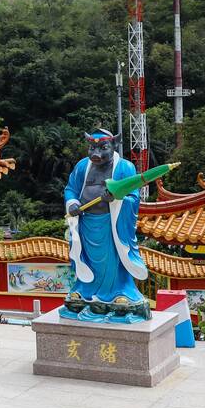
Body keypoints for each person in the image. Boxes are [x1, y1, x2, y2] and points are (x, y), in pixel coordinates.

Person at [62, 129, 149, 322]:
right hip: (85, 223)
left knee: (113, 260)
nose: (96, 153)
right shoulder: (82, 166)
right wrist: (73, 203)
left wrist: (116, 199)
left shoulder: (125, 167)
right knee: (86, 259)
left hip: (111, 225)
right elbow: (71, 189)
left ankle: (120, 292)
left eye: (103, 148)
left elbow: (133, 198)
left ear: (114, 146)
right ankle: (84, 291)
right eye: (92, 148)